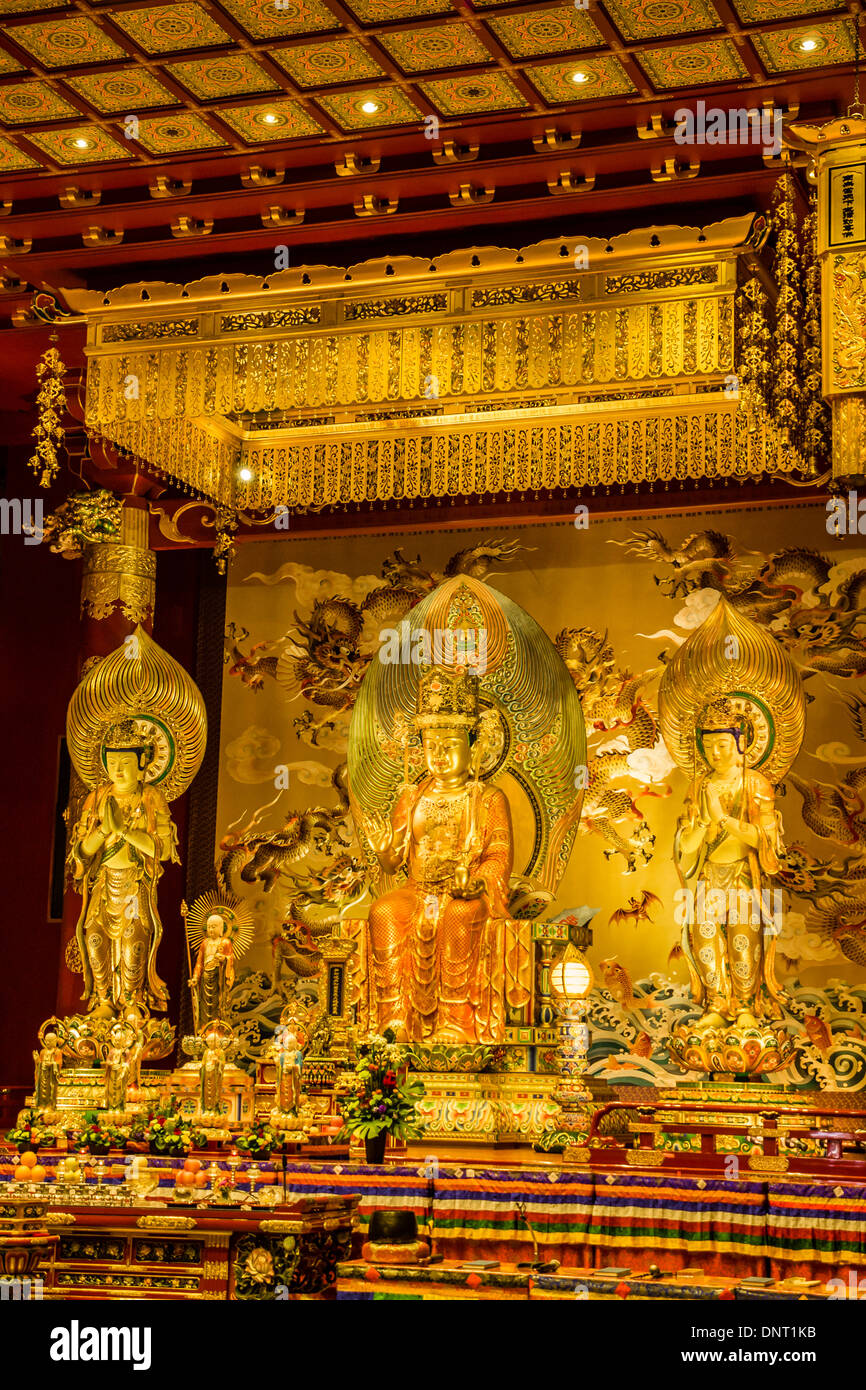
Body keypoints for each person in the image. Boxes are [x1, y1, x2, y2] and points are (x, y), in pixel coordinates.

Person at [70, 719, 177, 1022]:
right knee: (94, 937)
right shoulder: (98, 797)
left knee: (133, 937)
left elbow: (164, 850)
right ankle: (104, 999)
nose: (118, 769)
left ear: (143, 762)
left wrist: (126, 832)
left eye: (126, 762)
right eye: (112, 761)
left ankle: (132, 1000)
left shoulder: (150, 797)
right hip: (104, 884)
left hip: (133, 884)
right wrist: (104, 830)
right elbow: (80, 851)